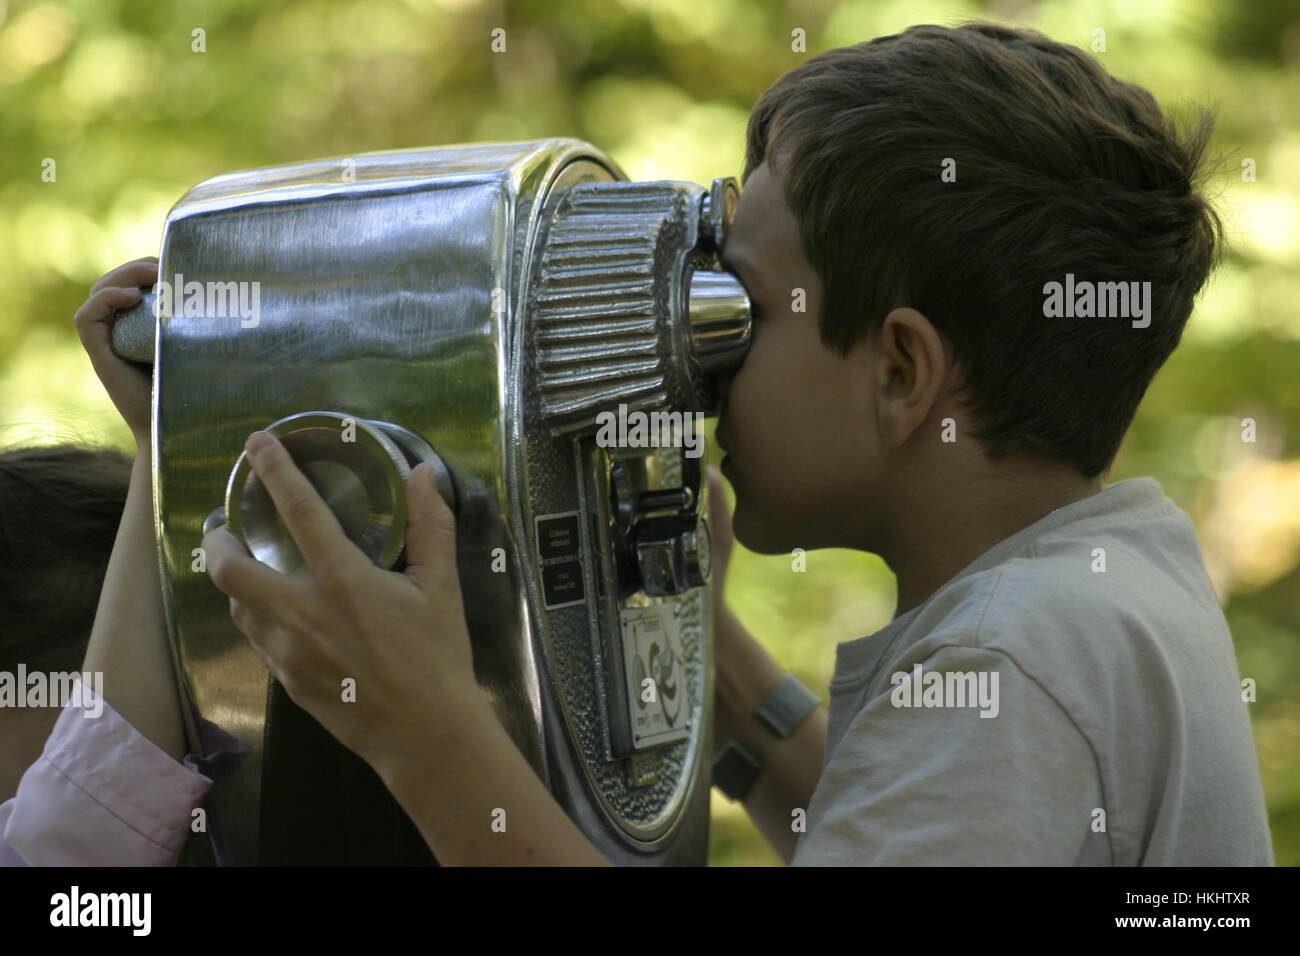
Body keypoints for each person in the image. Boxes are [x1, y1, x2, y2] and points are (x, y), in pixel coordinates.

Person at [12, 20, 1272, 866]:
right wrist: (693, 639)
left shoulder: (1011, 665)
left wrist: (417, 725)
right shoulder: (1101, 590)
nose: (690, 352)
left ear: (900, 373)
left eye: (738, 299)